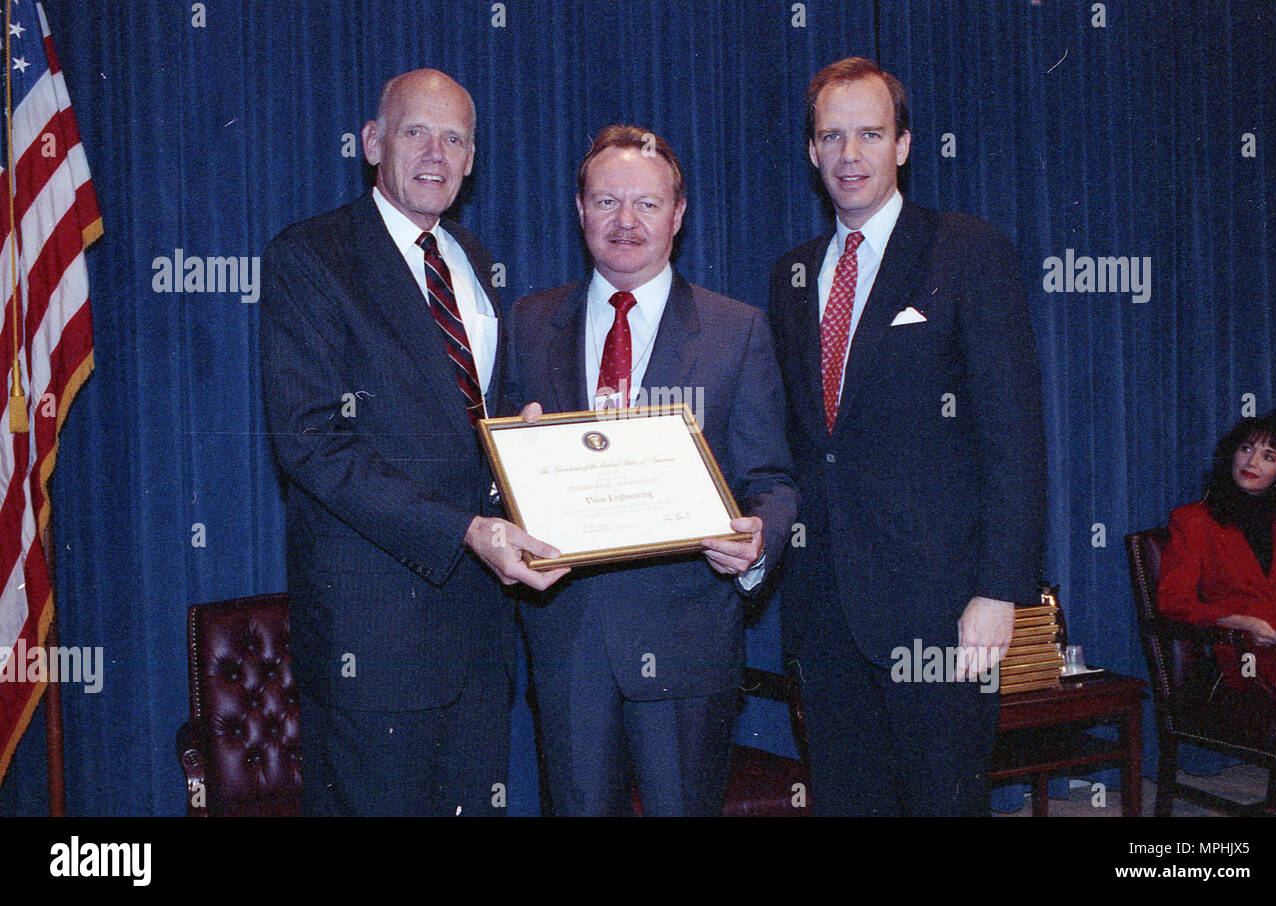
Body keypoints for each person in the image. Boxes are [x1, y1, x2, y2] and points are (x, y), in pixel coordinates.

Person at [260, 69, 565, 816]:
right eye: (414, 131)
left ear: (471, 159)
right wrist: (465, 529)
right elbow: (310, 443)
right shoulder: (311, 258)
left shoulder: (472, 259)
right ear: (372, 143)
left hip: (480, 637)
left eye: (455, 137)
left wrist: (515, 452)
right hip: (378, 640)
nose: (436, 151)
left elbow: (458, 429)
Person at [768, 57, 1046, 816]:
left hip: (941, 608)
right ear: (811, 151)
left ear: (904, 145)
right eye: (832, 136)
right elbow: (799, 444)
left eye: (869, 134)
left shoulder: (965, 250)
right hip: (823, 608)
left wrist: (999, 591)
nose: (849, 154)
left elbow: (1014, 434)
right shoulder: (790, 276)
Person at [508, 125, 798, 816]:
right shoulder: (528, 320)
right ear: (579, 211)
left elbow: (774, 479)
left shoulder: (739, 330)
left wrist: (758, 540)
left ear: (678, 213)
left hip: (687, 641)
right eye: (607, 201)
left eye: (646, 203)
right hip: (567, 639)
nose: (626, 221)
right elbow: (494, 469)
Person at [1157, 411, 1276, 694]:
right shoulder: (1192, 520)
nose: (1252, 462)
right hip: (1248, 658)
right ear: (1230, 454)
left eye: (1268, 457)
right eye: (1246, 448)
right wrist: (1236, 622)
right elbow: (1172, 601)